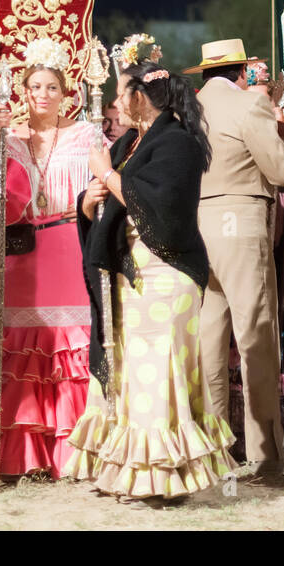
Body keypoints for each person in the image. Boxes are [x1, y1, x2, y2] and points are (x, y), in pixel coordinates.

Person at [65, 51, 236, 500]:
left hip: (167, 272)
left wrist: (106, 174)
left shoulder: (178, 142)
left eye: (121, 93)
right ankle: (126, 469)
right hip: (128, 273)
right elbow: (110, 205)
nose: (115, 102)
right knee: (126, 371)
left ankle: (165, 477)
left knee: (158, 374)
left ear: (141, 97)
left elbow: (159, 211)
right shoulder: (127, 145)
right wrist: (89, 201)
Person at [0, 39, 103, 477]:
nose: (43, 95)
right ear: (24, 92)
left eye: (52, 87)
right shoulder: (11, 138)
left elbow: (104, 185)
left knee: (72, 348)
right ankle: (19, 454)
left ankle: (76, 454)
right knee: (23, 353)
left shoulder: (87, 134)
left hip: (72, 245)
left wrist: (89, 205)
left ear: (65, 92)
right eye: (35, 87)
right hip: (25, 253)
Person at [189, 38, 284, 475]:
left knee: (208, 338)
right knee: (255, 335)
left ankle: (213, 448)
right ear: (241, 72)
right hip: (240, 221)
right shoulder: (249, 106)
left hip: (197, 225)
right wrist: (282, 138)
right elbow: (283, 172)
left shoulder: (187, 111)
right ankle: (264, 452)